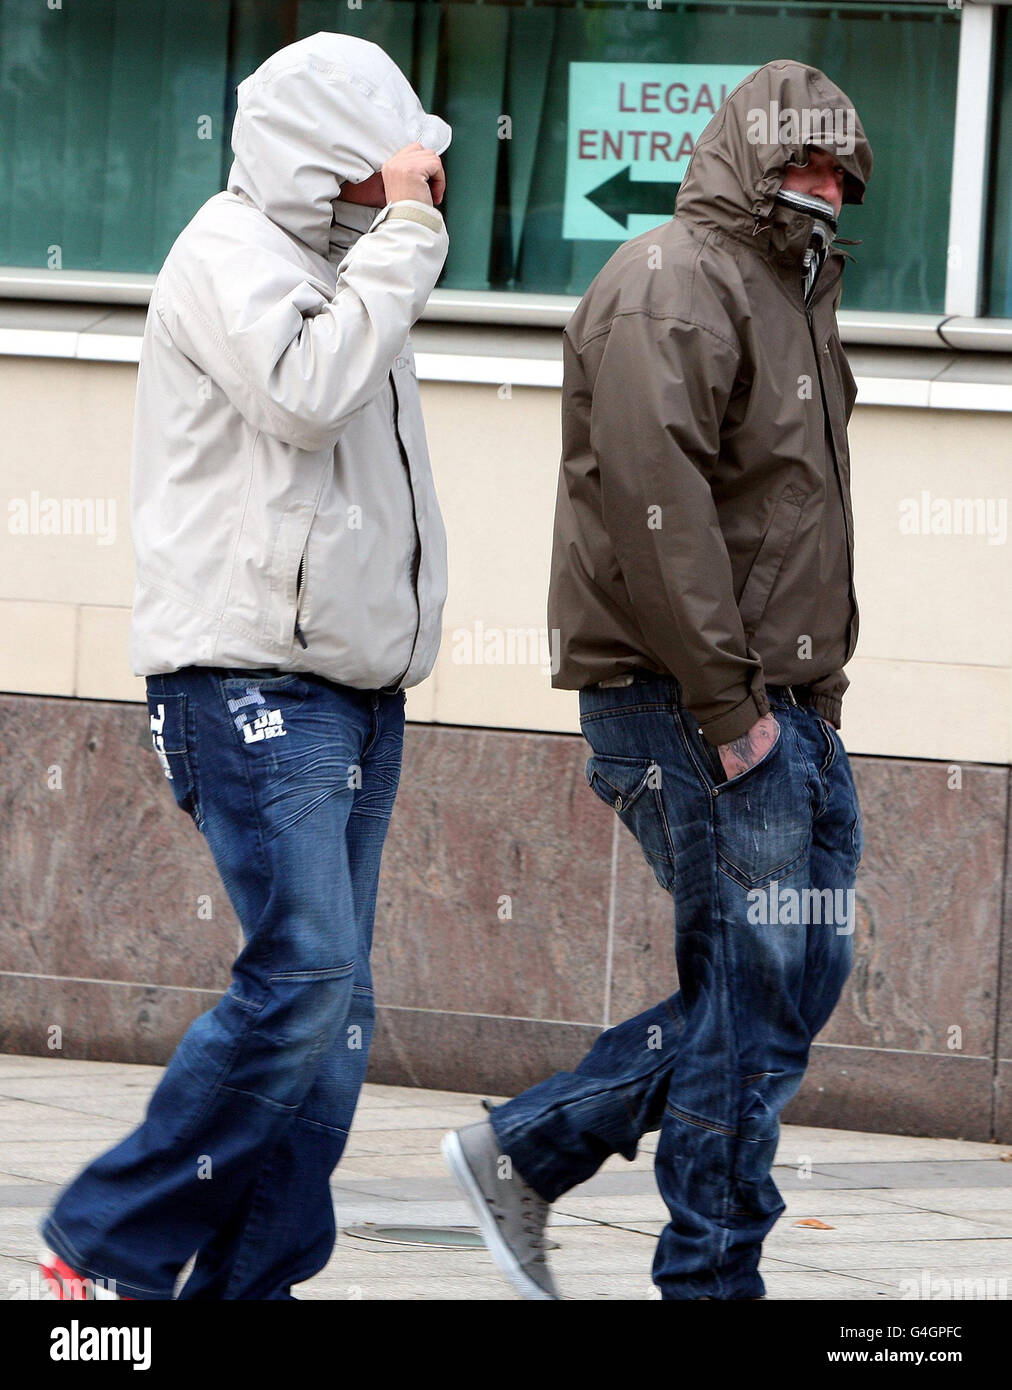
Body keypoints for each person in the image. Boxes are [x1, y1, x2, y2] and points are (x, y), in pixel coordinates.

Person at [443, 59, 873, 1301]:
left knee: (787, 981)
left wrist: (805, 707)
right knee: (749, 1008)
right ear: (746, 156)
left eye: (841, 168)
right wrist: (735, 715)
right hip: (695, 704)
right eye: (800, 162)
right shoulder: (673, 282)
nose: (824, 185)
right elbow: (657, 512)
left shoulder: (790, 287)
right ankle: (708, 1282)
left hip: (785, 706)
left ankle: (528, 1147)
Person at [38, 32, 450, 1301]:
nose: (420, 193)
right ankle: (106, 1242)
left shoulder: (349, 266)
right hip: (248, 681)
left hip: (355, 691)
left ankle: (247, 1283)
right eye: (396, 171)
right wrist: (402, 247)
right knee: (308, 971)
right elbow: (306, 394)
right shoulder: (228, 256)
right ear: (327, 164)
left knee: (334, 1028)